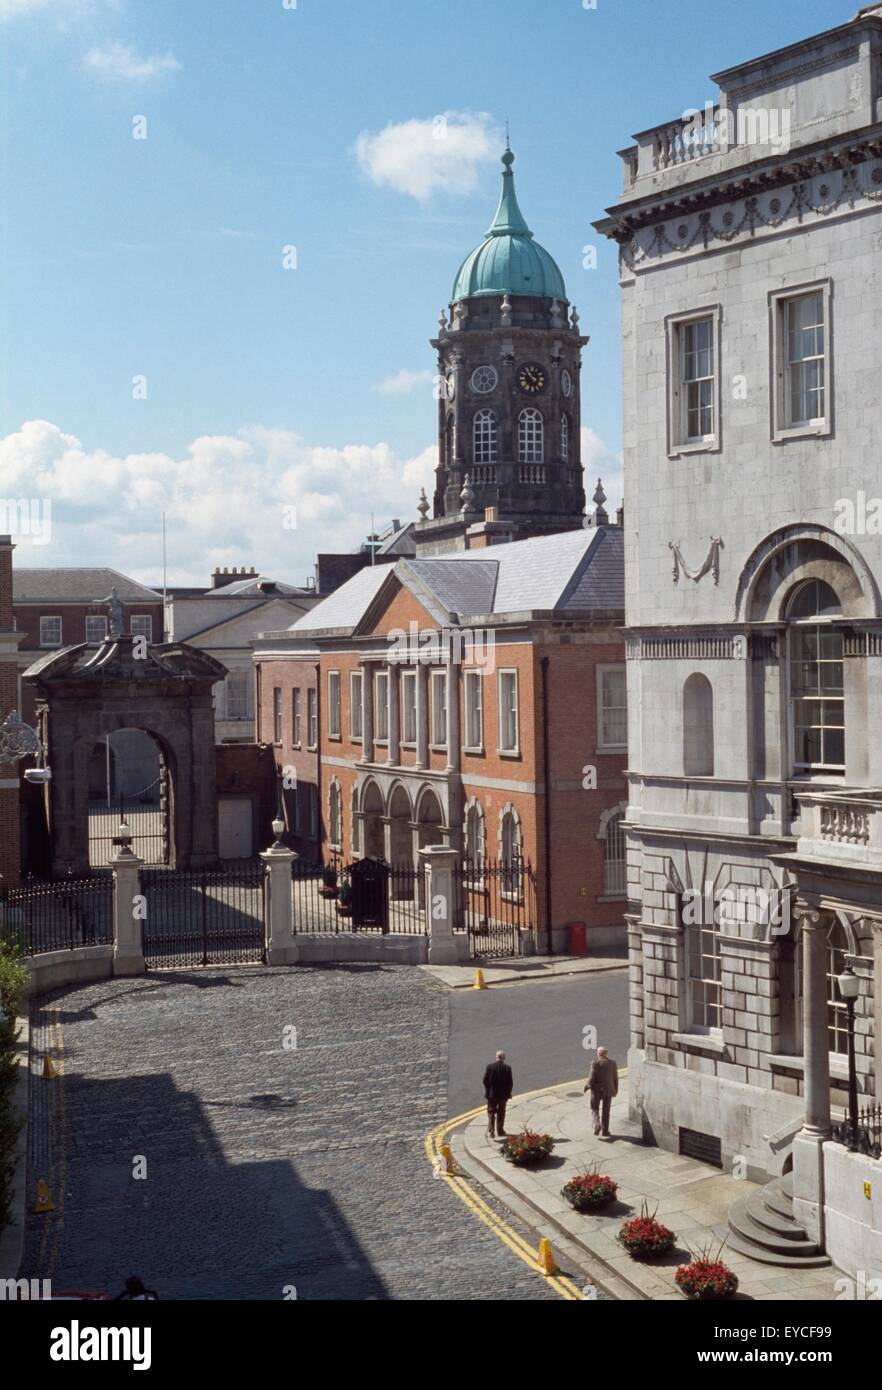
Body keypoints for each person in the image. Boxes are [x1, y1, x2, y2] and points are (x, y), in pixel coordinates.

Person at [584, 1045, 619, 1137]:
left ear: (598, 1054)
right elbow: (615, 1078)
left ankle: (597, 1124)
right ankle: (605, 1131)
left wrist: (587, 1086)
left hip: (596, 1090)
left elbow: (591, 1078)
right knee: (606, 1111)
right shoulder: (612, 1063)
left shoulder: (595, 1063)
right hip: (608, 1090)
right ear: (606, 1053)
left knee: (594, 1108)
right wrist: (615, 1090)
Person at [482, 1049, 513, 1140]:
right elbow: (510, 1083)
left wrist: (488, 1090)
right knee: (501, 1112)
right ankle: (500, 1130)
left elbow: (485, 1080)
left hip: (492, 1095)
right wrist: (508, 1093)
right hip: (503, 1096)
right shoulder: (507, 1068)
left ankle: (491, 1129)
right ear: (504, 1058)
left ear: (496, 1057)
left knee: (491, 1112)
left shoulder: (489, 1067)